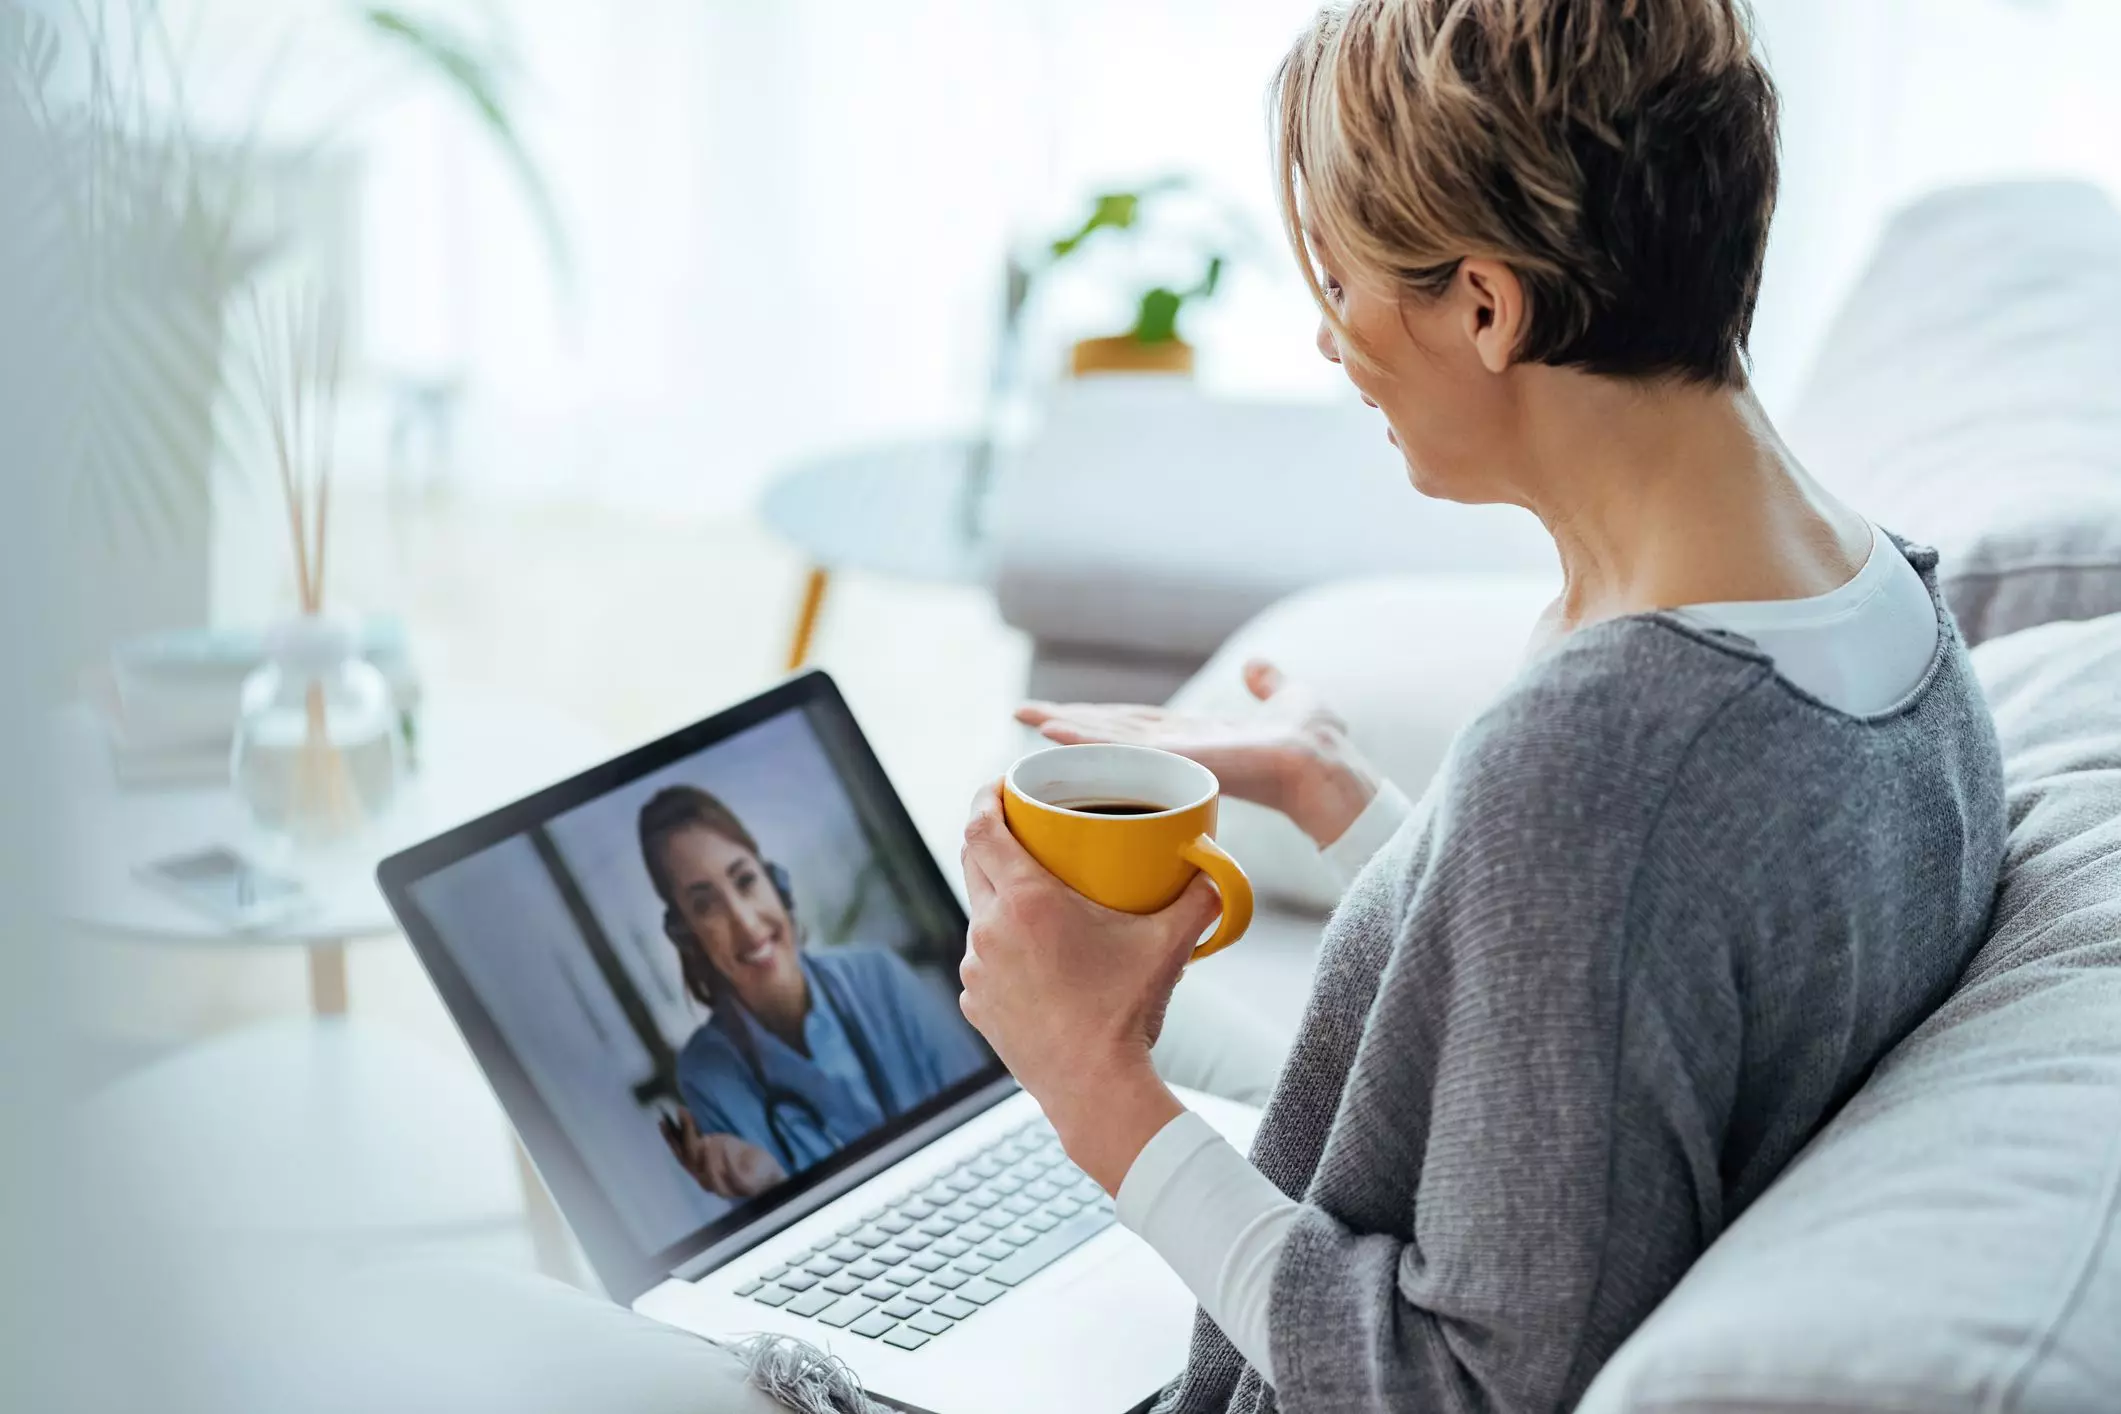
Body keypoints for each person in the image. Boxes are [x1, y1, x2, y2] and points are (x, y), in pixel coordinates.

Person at [954, 3, 2008, 1412]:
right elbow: (1606, 1005)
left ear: (1486, 303)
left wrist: (1096, 1085)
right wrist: (1348, 799)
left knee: (968, 1021)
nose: (1332, 344)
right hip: (1337, 1225)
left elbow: (1462, 1383)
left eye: (1339, 284)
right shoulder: (1878, 603)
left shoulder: (1604, 757)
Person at [639, 785, 989, 1201]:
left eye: (745, 881)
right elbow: (775, 1232)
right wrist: (770, 1187)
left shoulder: (879, 977)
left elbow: (986, 1117)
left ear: (775, 881)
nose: (747, 924)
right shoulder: (708, 1074)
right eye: (705, 906)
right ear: (686, 936)